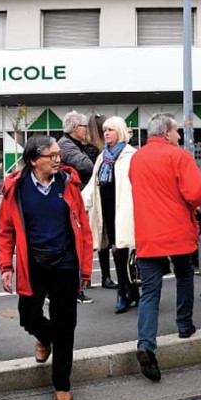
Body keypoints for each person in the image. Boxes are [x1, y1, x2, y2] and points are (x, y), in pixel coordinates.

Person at [0, 135, 94, 400]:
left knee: (66, 324)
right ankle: (44, 338)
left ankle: (62, 384)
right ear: (33, 160)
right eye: (51, 156)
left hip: (65, 263)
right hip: (33, 264)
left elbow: (83, 229)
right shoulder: (16, 188)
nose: (57, 159)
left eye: (58, 154)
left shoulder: (68, 183)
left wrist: (86, 269)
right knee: (28, 316)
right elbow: (5, 231)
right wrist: (6, 265)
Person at [128, 113, 201, 382]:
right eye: (176, 131)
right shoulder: (179, 156)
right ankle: (184, 325)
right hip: (177, 231)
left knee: (150, 293)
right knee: (184, 275)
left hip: (148, 234)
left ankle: (146, 345)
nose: (179, 135)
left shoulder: (137, 158)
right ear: (166, 133)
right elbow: (195, 194)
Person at [83, 116, 140, 314]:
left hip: (123, 208)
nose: (106, 133)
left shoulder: (131, 155)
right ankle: (130, 291)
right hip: (106, 209)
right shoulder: (104, 156)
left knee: (122, 250)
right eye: (105, 130)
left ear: (120, 132)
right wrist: (79, 204)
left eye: (110, 130)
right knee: (116, 249)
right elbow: (93, 184)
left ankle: (124, 292)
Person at [57, 110, 96, 304]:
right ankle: (74, 289)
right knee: (74, 244)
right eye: (84, 126)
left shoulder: (75, 145)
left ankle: (75, 286)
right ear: (74, 128)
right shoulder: (66, 145)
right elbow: (87, 166)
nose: (86, 130)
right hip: (71, 200)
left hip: (75, 199)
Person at [84, 114, 116, 291]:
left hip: (94, 197)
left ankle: (92, 277)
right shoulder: (99, 151)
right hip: (98, 198)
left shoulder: (90, 148)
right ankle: (104, 276)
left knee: (98, 238)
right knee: (102, 238)